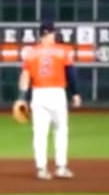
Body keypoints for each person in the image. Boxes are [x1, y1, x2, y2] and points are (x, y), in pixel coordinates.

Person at [16, 20, 80, 180]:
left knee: (40, 133)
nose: (54, 35)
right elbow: (71, 73)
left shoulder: (31, 53)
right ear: (50, 34)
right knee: (61, 130)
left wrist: (21, 98)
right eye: (53, 33)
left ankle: (41, 169)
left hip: (38, 94)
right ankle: (61, 167)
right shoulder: (63, 50)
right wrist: (75, 93)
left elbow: (25, 76)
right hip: (57, 93)